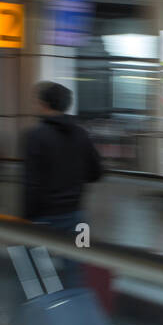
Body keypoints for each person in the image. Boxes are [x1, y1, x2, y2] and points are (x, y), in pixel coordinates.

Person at [22, 81, 103, 283]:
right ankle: (78, 309)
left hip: (44, 217)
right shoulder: (81, 134)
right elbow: (97, 173)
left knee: (35, 274)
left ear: (43, 103)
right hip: (78, 216)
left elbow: (32, 182)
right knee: (78, 270)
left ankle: (43, 311)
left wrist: (26, 218)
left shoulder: (35, 136)